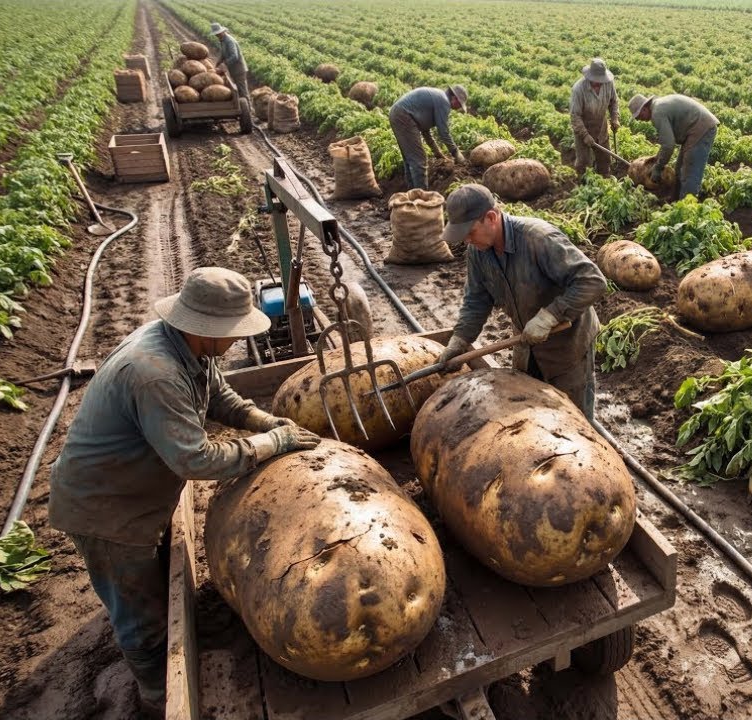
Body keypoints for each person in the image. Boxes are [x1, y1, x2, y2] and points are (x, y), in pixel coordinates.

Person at [48, 267, 322, 715]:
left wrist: (264, 422)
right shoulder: (154, 373)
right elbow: (195, 461)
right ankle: (157, 696)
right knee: (143, 622)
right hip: (106, 510)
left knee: (145, 583)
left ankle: (140, 607)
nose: (235, 341)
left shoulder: (185, 347)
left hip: (133, 495)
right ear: (203, 327)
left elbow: (218, 396)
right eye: (231, 333)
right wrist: (272, 444)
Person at [436, 184, 606, 419]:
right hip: (526, 342)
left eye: (470, 231)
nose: (466, 240)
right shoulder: (478, 250)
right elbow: (477, 299)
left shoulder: (538, 238)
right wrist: (460, 339)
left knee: (572, 418)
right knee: (529, 414)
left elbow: (592, 281)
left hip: (567, 345)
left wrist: (550, 316)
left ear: (491, 217)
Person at [628, 93, 718, 199]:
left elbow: (668, 145)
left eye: (638, 116)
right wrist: (657, 158)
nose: (639, 120)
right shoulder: (658, 107)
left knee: (689, 172)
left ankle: (687, 208)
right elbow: (667, 143)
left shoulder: (657, 113)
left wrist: (658, 167)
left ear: (644, 108)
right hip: (693, 130)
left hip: (701, 128)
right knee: (679, 169)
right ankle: (675, 199)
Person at [389, 85, 469, 190]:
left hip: (398, 113)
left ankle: (412, 191)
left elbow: (426, 133)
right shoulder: (444, 101)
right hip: (403, 116)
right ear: (454, 98)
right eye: (459, 104)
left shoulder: (438, 98)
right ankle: (422, 196)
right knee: (419, 160)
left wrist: (438, 153)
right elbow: (443, 132)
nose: (459, 108)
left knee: (410, 159)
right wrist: (456, 152)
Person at [570, 58, 620, 178]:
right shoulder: (578, 89)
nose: (599, 83)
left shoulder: (608, 83)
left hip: (601, 128)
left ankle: (604, 179)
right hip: (583, 129)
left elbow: (614, 102)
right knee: (584, 163)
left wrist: (614, 118)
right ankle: (583, 184)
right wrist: (585, 135)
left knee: (605, 160)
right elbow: (575, 116)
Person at [210, 23, 248, 100]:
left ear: (222, 32)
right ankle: (243, 106)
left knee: (242, 91)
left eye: (217, 34)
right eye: (216, 34)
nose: (216, 36)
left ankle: (248, 109)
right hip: (233, 70)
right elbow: (223, 54)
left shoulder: (229, 41)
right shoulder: (222, 40)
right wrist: (217, 64)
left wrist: (224, 64)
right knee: (238, 90)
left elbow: (234, 56)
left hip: (239, 69)